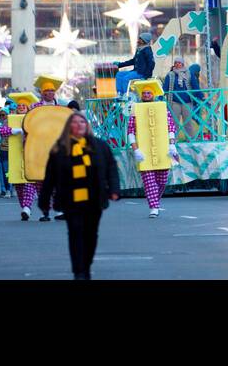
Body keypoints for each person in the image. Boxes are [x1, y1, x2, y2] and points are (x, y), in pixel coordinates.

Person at [38, 111, 120, 279]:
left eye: (82, 122)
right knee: (75, 233)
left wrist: (114, 190)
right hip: (71, 200)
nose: (79, 125)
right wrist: (44, 201)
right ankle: (79, 271)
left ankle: (86, 264)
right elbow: (50, 177)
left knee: (91, 234)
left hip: (94, 199)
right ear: (69, 127)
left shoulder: (99, 145)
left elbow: (111, 167)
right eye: (74, 122)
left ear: (87, 125)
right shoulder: (59, 149)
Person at [127, 79, 178, 218]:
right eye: (144, 93)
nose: (147, 95)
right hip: (143, 151)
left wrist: (172, 144)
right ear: (141, 96)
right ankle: (154, 207)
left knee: (161, 181)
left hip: (162, 150)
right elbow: (130, 131)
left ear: (153, 94)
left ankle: (155, 201)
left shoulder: (163, 108)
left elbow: (171, 127)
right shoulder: (135, 109)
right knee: (149, 182)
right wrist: (135, 149)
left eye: (149, 93)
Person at [0, 91, 39, 220]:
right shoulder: (10, 119)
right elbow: (1, 131)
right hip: (15, 156)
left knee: (29, 181)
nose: (21, 107)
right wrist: (13, 130)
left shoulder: (33, 119)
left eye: (24, 106)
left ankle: (27, 207)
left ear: (28, 108)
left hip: (31, 154)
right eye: (19, 105)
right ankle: (25, 208)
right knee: (19, 184)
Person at [0, 105, 11, 198]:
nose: (2, 117)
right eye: (0, 115)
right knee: (1, 171)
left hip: (6, 150)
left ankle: (8, 189)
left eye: (4, 115)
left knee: (6, 171)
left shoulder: (9, 124)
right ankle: (4, 190)